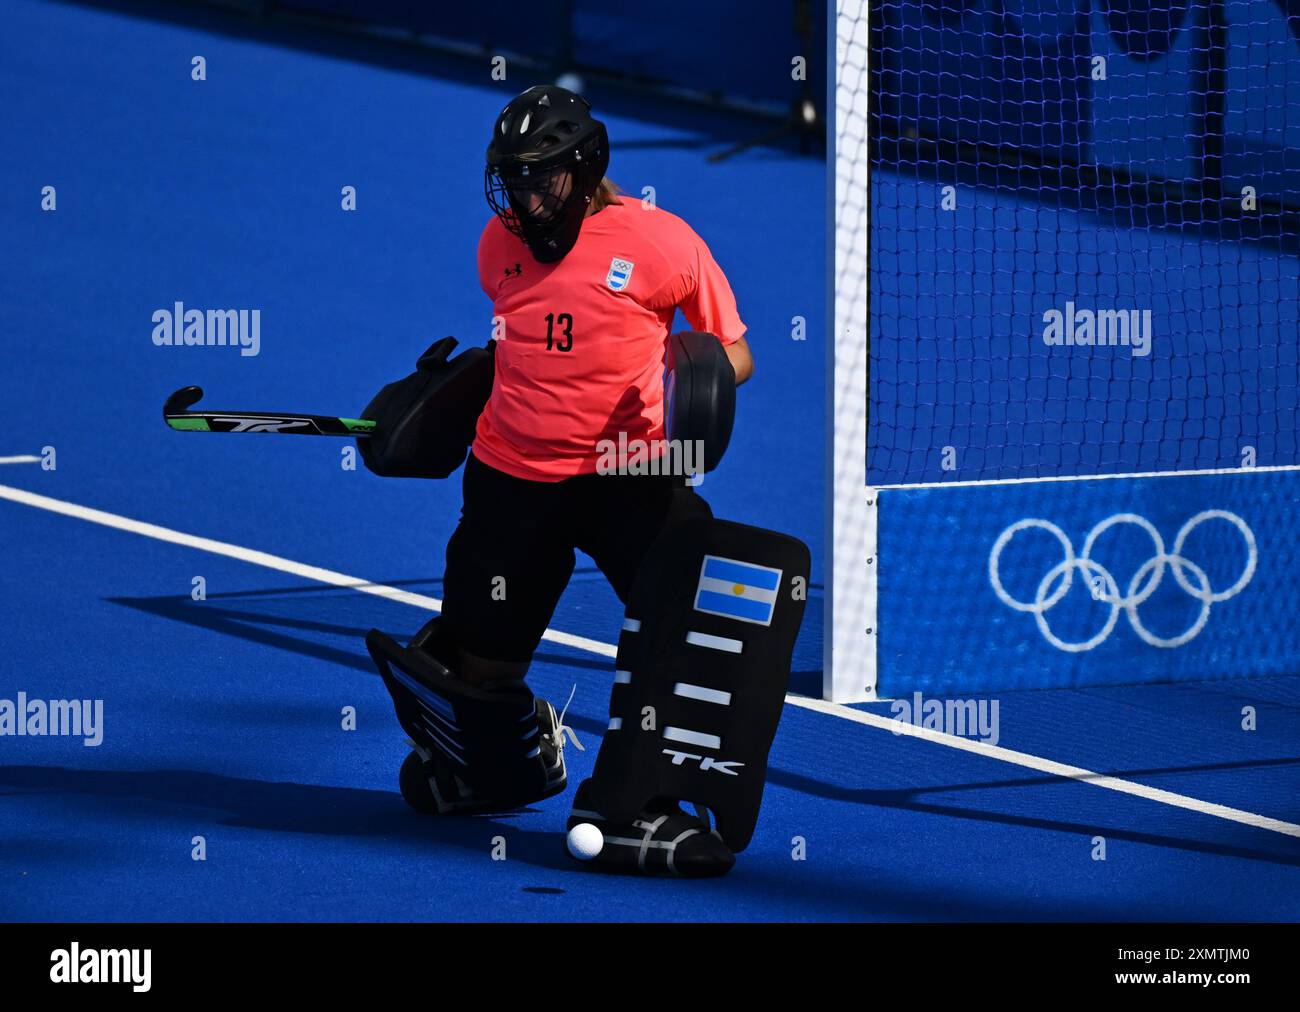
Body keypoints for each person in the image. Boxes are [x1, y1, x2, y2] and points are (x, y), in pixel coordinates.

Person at [366, 85, 805, 878]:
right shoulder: (495, 245)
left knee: (684, 627)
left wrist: (692, 385)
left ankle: (643, 802)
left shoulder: (662, 244)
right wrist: (448, 396)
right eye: (513, 179)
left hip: (629, 475)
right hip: (510, 477)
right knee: (478, 658)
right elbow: (525, 347)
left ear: (584, 166)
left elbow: (732, 350)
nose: (525, 198)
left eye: (541, 178)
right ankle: (506, 765)